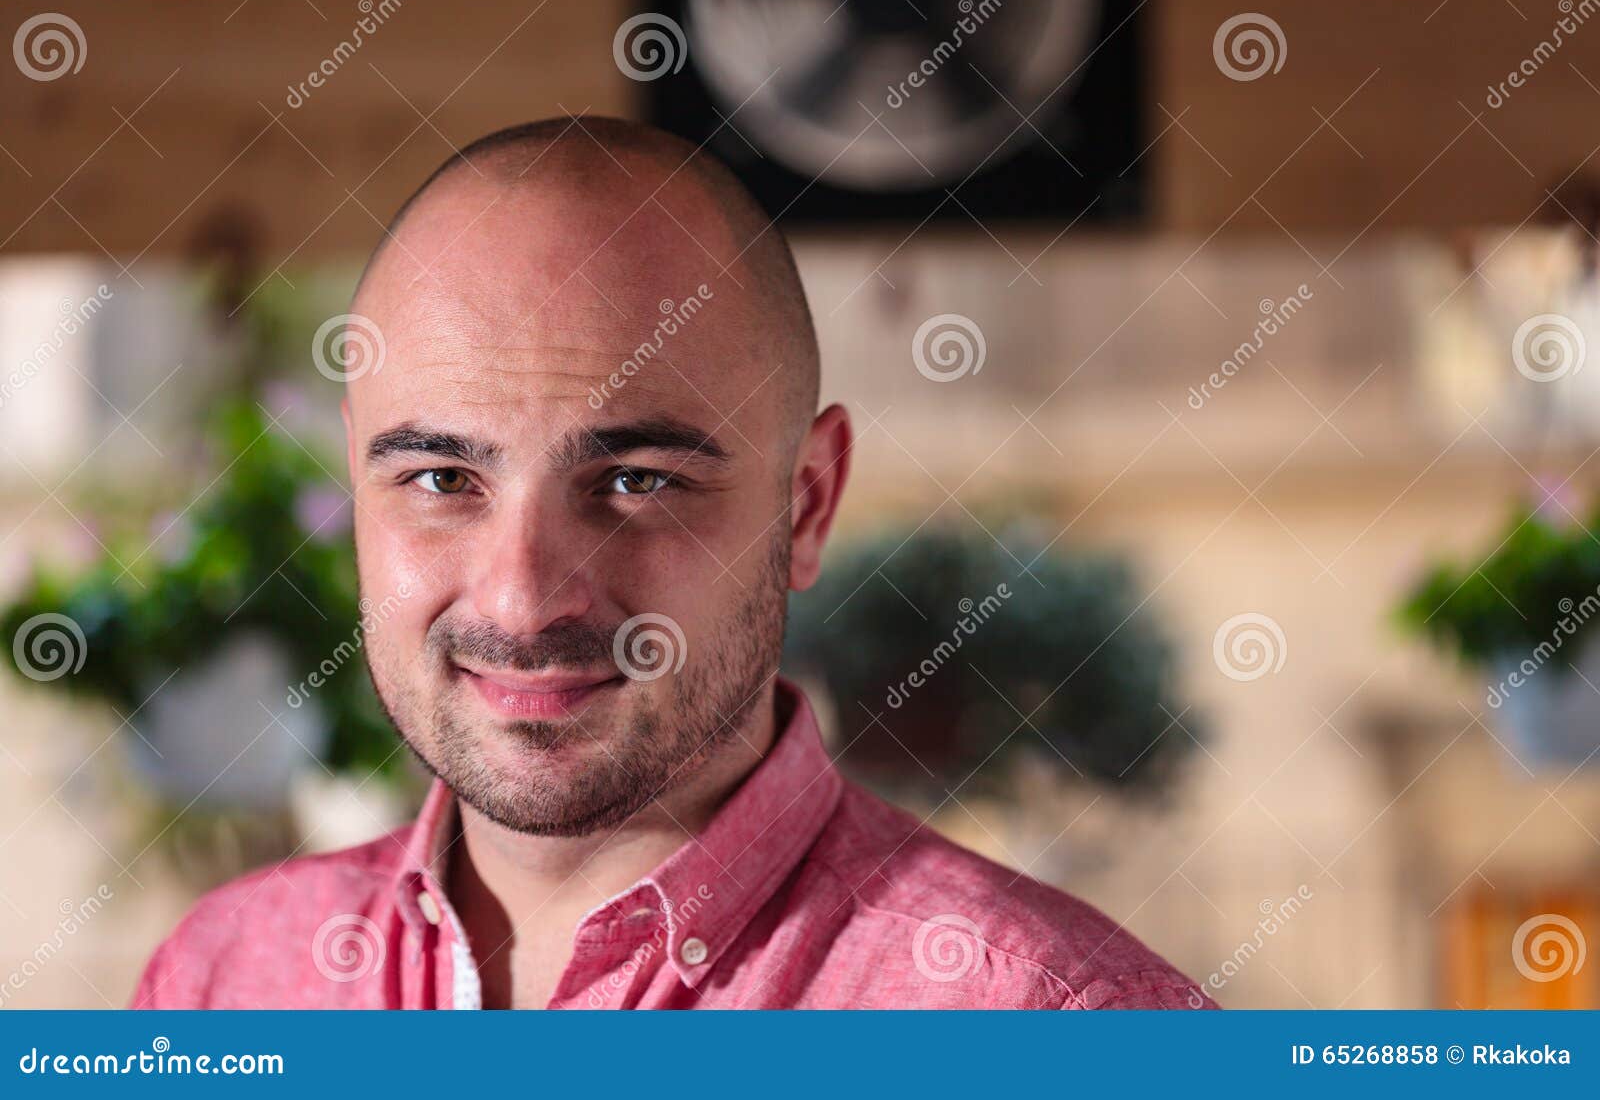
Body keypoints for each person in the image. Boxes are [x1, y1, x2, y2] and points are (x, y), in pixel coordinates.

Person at [132, 117, 1208, 1010]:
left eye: (636, 480)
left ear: (806, 504)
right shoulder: (222, 984)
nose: (522, 596)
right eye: (441, 477)